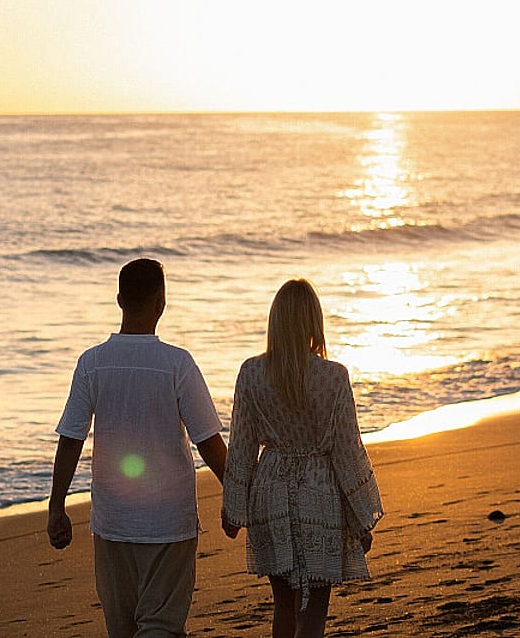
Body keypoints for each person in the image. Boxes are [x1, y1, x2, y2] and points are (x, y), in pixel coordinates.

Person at [47, 258, 228, 638]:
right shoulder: (177, 363)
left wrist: (57, 506)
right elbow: (208, 442)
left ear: (119, 299)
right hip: (168, 524)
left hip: (113, 522)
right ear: (161, 303)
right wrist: (241, 497)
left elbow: (71, 439)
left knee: (123, 628)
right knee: (161, 625)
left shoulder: (92, 363)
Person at [222, 279, 383, 638]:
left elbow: (242, 447)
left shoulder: (251, 373)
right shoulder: (333, 377)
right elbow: (347, 452)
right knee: (314, 608)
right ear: (314, 322)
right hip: (319, 491)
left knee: (283, 604)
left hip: (270, 490)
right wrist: (361, 516)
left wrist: (233, 508)